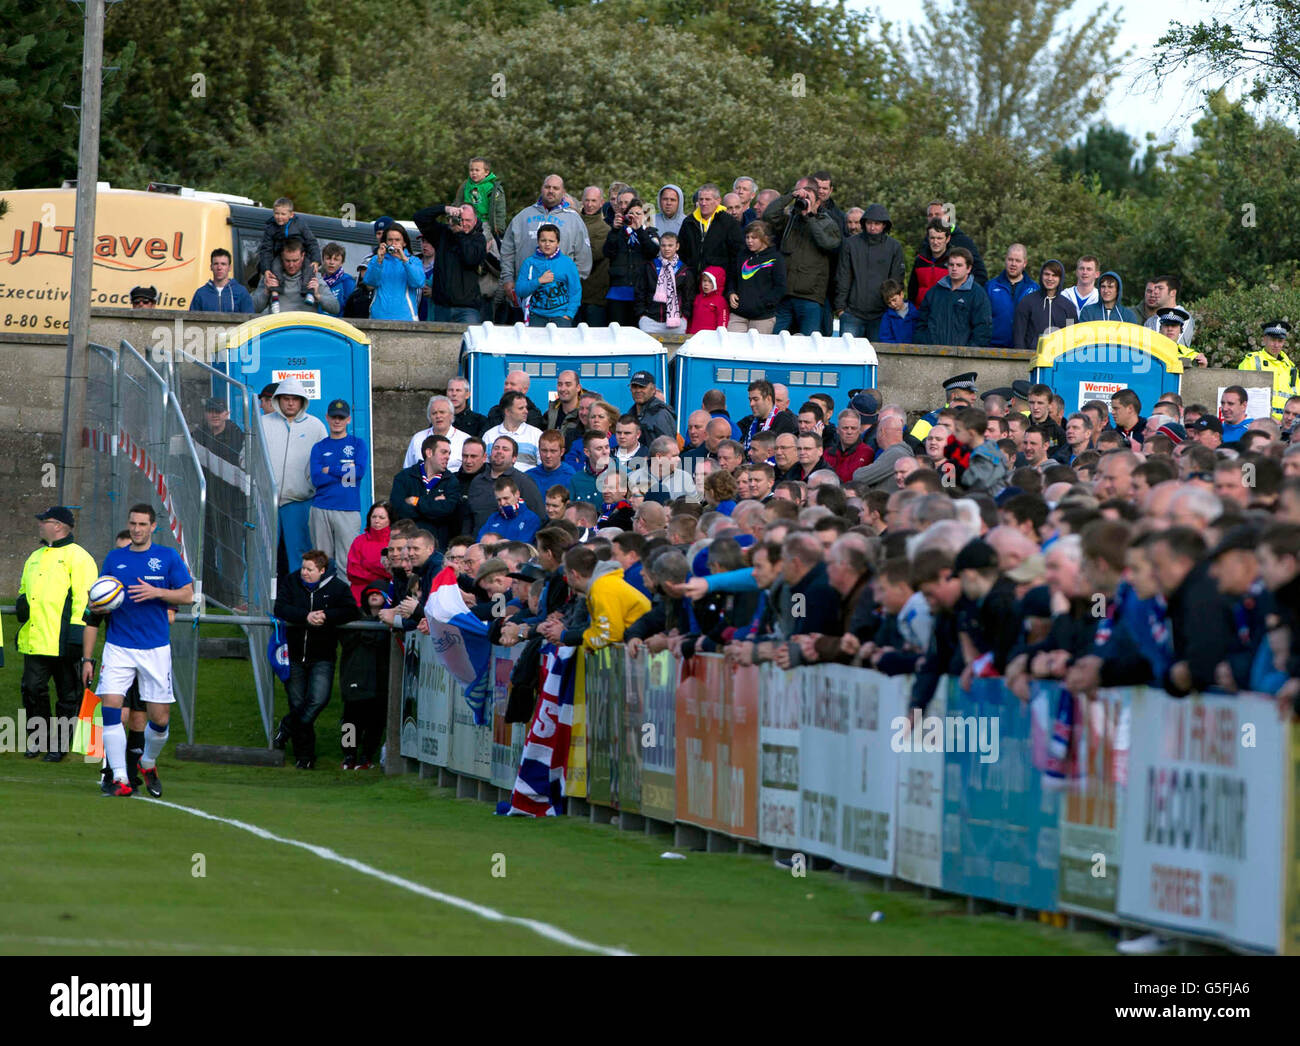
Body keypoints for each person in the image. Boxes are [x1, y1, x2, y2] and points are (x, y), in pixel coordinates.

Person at [81, 504, 194, 797]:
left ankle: (148, 762)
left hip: (155, 648)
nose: (137, 529)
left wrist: (158, 592)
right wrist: (98, 602)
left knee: (160, 719)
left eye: (143, 524)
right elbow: (99, 597)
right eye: (133, 523)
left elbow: (187, 594)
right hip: (119, 646)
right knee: (111, 709)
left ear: (153, 526)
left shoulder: (167, 557)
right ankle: (120, 778)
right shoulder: (115, 558)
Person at [16, 506, 97, 759]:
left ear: (59, 526)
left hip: (64, 641)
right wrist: (22, 603)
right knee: (31, 689)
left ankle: (59, 746)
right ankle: (39, 739)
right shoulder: (35, 556)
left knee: (67, 697)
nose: (40, 525)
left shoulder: (79, 557)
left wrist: (77, 636)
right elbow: (23, 589)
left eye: (45, 521)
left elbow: (85, 600)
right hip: (36, 639)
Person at [272, 549, 359, 769]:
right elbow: (280, 608)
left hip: (323, 657)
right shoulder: (291, 582)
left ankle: (288, 725)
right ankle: (305, 757)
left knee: (318, 700)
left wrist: (327, 616)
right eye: (303, 568)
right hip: (293, 655)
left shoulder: (338, 588)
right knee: (298, 703)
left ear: (322, 570)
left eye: (309, 569)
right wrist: (305, 617)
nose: (304, 573)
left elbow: (351, 611)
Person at [499, 174, 592, 315]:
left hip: (558, 300)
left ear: (563, 192)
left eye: (556, 188)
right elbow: (507, 251)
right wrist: (507, 278)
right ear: (541, 189)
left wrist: (569, 285)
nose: (551, 191)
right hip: (526, 294)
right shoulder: (523, 216)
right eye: (547, 187)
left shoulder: (574, 220)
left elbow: (583, 259)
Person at [261, 377, 327, 574]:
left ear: (302, 401)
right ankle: (256, 602)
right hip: (265, 500)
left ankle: (299, 599)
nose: (290, 403)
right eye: (286, 398)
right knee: (262, 553)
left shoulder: (316, 426)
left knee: (300, 554)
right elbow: (246, 458)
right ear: (278, 400)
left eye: (295, 399)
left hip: (299, 501)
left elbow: (325, 461)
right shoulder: (262, 423)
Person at [762, 177, 842, 335]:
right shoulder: (790, 220)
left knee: (808, 343)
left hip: (810, 297)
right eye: (803, 198)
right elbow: (768, 216)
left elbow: (828, 244)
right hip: (785, 295)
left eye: (809, 199)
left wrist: (809, 217)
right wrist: (791, 196)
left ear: (818, 202)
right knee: (776, 341)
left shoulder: (828, 223)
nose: (804, 202)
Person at [190, 396, 246, 608]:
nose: (214, 415)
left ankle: (233, 598)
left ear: (227, 414)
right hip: (206, 503)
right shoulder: (198, 435)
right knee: (204, 552)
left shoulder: (238, 437)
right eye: (211, 410)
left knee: (231, 554)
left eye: (219, 411)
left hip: (232, 504)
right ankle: (210, 597)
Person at [551, 544, 650, 650]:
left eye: (566, 575)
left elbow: (610, 634)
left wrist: (565, 636)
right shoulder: (601, 584)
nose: (565, 579)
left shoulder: (602, 588)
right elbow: (598, 628)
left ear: (574, 574)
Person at [309, 398, 366, 578]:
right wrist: (344, 472)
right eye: (334, 416)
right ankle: (322, 601)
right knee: (321, 561)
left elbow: (359, 472)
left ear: (348, 419)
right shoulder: (319, 447)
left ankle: (347, 604)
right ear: (327, 417)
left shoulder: (358, 444)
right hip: (321, 508)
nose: (337, 421)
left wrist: (331, 469)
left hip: (348, 508)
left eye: (341, 417)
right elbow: (317, 478)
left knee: (347, 562)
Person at [338, 583, 391, 770]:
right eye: (371, 593)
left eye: (379, 593)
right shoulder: (352, 618)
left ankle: (367, 756)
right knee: (350, 721)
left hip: (379, 680)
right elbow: (347, 640)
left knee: (375, 722)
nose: (375, 596)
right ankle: (349, 755)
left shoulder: (390, 621)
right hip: (355, 677)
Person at [834, 203, 903, 340]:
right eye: (869, 223)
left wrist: (892, 308)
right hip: (852, 313)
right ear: (864, 223)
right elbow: (843, 276)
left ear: (884, 225)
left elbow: (896, 279)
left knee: (878, 357)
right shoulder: (850, 244)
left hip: (882, 314)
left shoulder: (894, 247)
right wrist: (841, 309)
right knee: (848, 358)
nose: (872, 227)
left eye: (877, 223)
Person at [411, 202, 489, 324]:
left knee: (469, 342)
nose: (463, 224)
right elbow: (419, 217)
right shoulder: (443, 234)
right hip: (442, 307)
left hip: (467, 309)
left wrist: (460, 234)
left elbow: (470, 259)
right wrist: (444, 209)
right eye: (460, 219)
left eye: (468, 220)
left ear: (475, 221)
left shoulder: (478, 239)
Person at [389, 434, 462, 550]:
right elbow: (398, 509)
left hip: (437, 546)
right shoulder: (404, 477)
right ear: (429, 453)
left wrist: (416, 501)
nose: (448, 457)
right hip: (407, 546)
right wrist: (433, 507)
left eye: (449, 453)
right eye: (443, 452)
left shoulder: (451, 481)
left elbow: (448, 510)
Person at [467, 436, 545, 532]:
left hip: (509, 543)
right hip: (478, 541)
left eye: (505, 449)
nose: (499, 451)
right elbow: (468, 517)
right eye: (496, 448)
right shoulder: (477, 481)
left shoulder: (524, 482)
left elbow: (538, 516)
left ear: (514, 458)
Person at [915, 248, 992, 347]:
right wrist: (925, 345)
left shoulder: (978, 294)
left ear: (968, 269)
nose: (954, 268)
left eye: (959, 265)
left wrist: (968, 352)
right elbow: (921, 324)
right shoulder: (934, 292)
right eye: (951, 265)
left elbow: (983, 329)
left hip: (963, 357)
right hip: (933, 355)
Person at [603, 197, 660, 327]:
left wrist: (639, 230)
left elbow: (653, 252)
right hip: (618, 292)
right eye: (631, 214)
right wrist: (615, 230)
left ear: (645, 217)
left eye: (638, 214)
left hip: (641, 293)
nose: (634, 217)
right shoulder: (619, 233)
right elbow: (607, 252)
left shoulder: (650, 233)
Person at [515, 223, 582, 326]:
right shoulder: (529, 263)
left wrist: (569, 315)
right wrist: (538, 281)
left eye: (551, 241)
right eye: (543, 240)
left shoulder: (567, 263)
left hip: (561, 317)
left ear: (558, 242)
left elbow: (575, 291)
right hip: (537, 317)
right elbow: (520, 291)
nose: (547, 244)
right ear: (538, 241)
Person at [678, 182, 745, 285]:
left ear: (718, 201)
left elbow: (737, 255)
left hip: (719, 284)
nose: (704, 203)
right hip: (691, 282)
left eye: (708, 199)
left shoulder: (729, 223)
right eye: (701, 199)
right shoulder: (688, 222)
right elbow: (681, 253)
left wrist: (731, 287)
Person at [251, 238, 339, 316]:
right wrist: (266, 292)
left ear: (302, 256)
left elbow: (335, 308)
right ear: (281, 257)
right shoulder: (271, 276)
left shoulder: (313, 277)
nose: (291, 265)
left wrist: (317, 295)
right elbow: (252, 308)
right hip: (278, 330)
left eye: (295, 260)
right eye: (287, 260)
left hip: (304, 330)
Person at [727, 221, 785, 334]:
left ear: (764, 238)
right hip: (738, 315)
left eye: (754, 238)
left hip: (763, 318)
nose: (749, 241)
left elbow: (780, 287)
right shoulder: (742, 255)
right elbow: (732, 278)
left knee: (757, 350)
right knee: (733, 347)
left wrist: (763, 304)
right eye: (747, 237)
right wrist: (731, 292)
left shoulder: (776, 258)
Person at [1239, 320, 1300, 422]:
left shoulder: (1290, 367)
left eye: (1280, 341)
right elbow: (1242, 397)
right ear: (1264, 339)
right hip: (1260, 422)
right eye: (1272, 340)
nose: (1276, 345)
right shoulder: (1252, 361)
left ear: (1284, 342)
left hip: (1288, 425)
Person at [636, 231, 695, 334]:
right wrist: (642, 315)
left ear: (677, 247)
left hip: (676, 322)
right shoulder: (650, 266)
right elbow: (640, 291)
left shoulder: (684, 270)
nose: (666, 248)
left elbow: (688, 296)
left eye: (670, 245)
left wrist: (684, 316)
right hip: (650, 321)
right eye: (663, 245)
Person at [363, 223, 425, 321]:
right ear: (385, 242)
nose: (393, 244)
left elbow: (418, 283)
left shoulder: (413, 261)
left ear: (404, 243)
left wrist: (405, 260)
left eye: (397, 240)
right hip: (378, 317)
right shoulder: (376, 259)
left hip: (406, 318)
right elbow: (370, 284)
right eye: (390, 240)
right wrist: (379, 261)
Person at [1013, 260, 1077, 351]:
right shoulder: (1027, 302)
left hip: (1058, 359)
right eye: (1047, 274)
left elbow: (1071, 338)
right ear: (1041, 276)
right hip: (1032, 358)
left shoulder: (1068, 307)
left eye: (1054, 275)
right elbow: (1018, 335)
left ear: (1060, 278)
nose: (1050, 278)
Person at [257, 196, 321, 280]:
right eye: (277, 213)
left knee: (309, 270)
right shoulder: (270, 228)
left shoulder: (299, 224)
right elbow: (266, 249)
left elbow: (312, 242)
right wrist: (266, 269)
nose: (279, 217)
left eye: (283, 214)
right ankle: (276, 291)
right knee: (275, 269)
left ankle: (307, 291)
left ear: (291, 215)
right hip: (279, 256)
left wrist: (315, 260)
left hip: (299, 255)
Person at [986, 244, 1038, 348]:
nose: (1013, 264)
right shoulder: (990, 286)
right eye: (1010, 259)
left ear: (1024, 263)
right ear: (1005, 260)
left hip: (1024, 349)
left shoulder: (1035, 289)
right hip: (994, 348)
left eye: (1018, 261)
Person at [403, 395, 468, 472]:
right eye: (434, 413)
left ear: (451, 415)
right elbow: (407, 469)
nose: (438, 416)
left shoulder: (465, 440)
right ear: (429, 417)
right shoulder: (418, 438)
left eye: (442, 412)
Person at [482, 390, 544, 469]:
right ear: (507, 411)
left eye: (526, 407)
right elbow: (485, 467)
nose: (526, 411)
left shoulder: (536, 435)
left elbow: (542, 468)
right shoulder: (489, 436)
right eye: (521, 408)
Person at [579, 186, 612, 327]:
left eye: (594, 200)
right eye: (587, 200)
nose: (590, 204)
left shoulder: (605, 229)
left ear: (601, 202)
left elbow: (593, 255)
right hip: (574, 295)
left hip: (595, 297)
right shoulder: (573, 223)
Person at [346, 502, 391, 604]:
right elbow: (352, 572)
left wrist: (366, 565)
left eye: (381, 517)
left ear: (389, 520)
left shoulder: (394, 541)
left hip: (386, 592)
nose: (376, 520)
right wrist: (381, 575)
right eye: (373, 516)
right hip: (359, 595)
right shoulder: (359, 541)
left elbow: (394, 573)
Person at [456, 155, 507, 242]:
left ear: (486, 172)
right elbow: (457, 202)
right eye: (471, 170)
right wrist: (454, 219)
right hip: (466, 221)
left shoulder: (492, 188)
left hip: (485, 222)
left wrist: (499, 226)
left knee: (483, 243)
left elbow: (499, 209)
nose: (474, 173)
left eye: (477, 170)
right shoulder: (466, 185)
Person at [478, 475, 542, 543]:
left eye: (506, 498)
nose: (502, 503)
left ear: (517, 494)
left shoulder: (531, 518)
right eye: (499, 500)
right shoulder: (493, 517)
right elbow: (480, 542)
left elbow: (522, 547)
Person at [190, 247, 255, 313]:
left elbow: (249, 320)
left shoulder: (241, 292)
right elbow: (192, 320)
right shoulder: (201, 293)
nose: (219, 268)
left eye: (223, 264)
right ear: (211, 267)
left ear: (229, 268)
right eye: (216, 264)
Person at [907, 220, 951, 307]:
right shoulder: (920, 260)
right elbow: (912, 291)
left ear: (947, 239)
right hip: (920, 314)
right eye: (932, 238)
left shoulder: (954, 262)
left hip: (944, 315)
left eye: (939, 238)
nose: (935, 242)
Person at [686, 266, 729, 333]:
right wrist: (688, 332)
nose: (706, 284)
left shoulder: (720, 301)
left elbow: (722, 321)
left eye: (710, 282)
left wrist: (720, 335)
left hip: (710, 337)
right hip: (694, 335)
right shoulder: (698, 297)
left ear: (717, 283)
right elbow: (691, 319)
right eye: (704, 280)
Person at [876, 279, 919, 344]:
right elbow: (884, 338)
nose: (893, 304)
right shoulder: (887, 317)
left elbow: (920, 334)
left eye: (894, 300)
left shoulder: (915, 313)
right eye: (889, 303)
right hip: (895, 352)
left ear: (901, 294)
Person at [318, 242, 356, 312]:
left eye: (336, 259)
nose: (331, 262)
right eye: (328, 258)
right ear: (323, 260)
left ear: (342, 262)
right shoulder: (318, 281)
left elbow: (349, 308)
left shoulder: (348, 282)